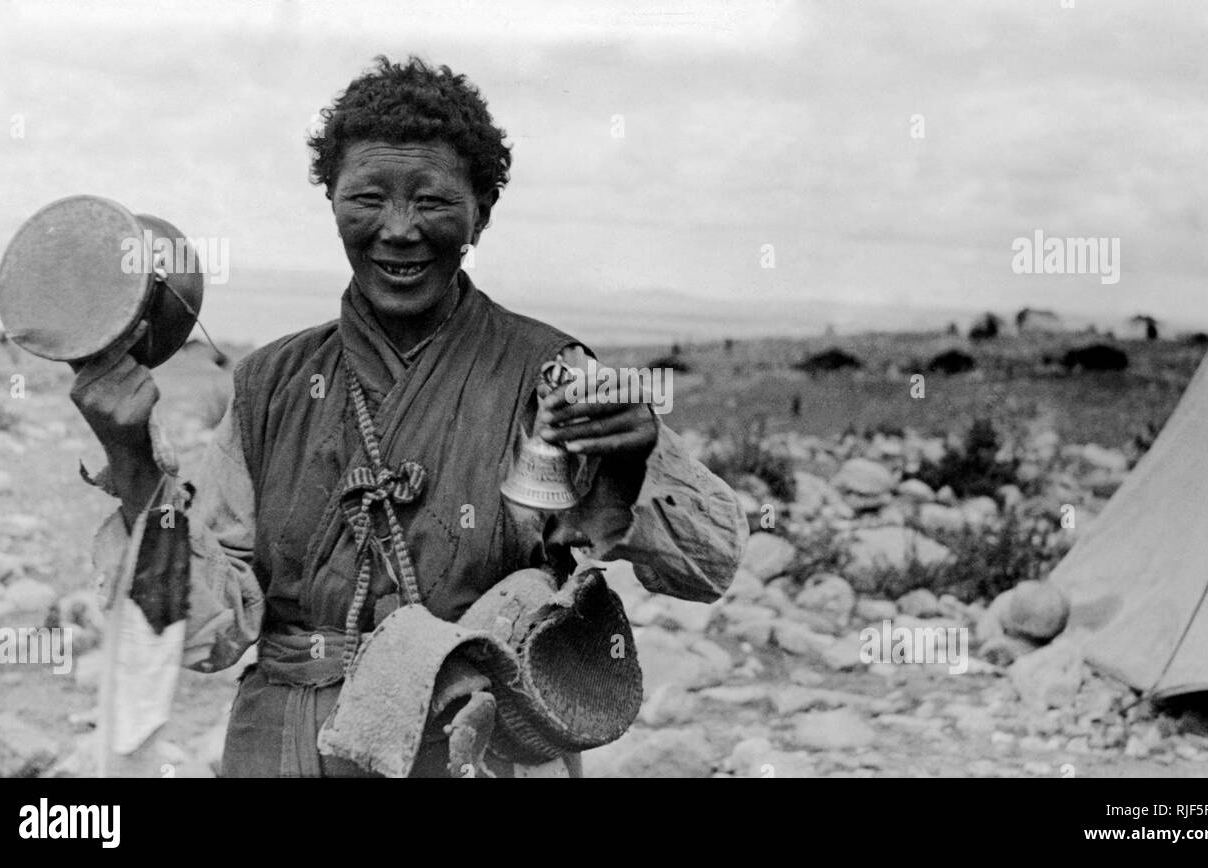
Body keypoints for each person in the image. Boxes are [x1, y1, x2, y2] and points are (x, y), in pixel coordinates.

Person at [69, 55, 747, 777]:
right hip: (284, 747)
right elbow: (209, 634)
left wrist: (635, 466)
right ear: (331, 200)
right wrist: (133, 463)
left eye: (432, 202)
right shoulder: (269, 385)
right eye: (367, 198)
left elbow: (708, 567)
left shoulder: (549, 377)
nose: (398, 229)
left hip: (479, 748)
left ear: (482, 210)